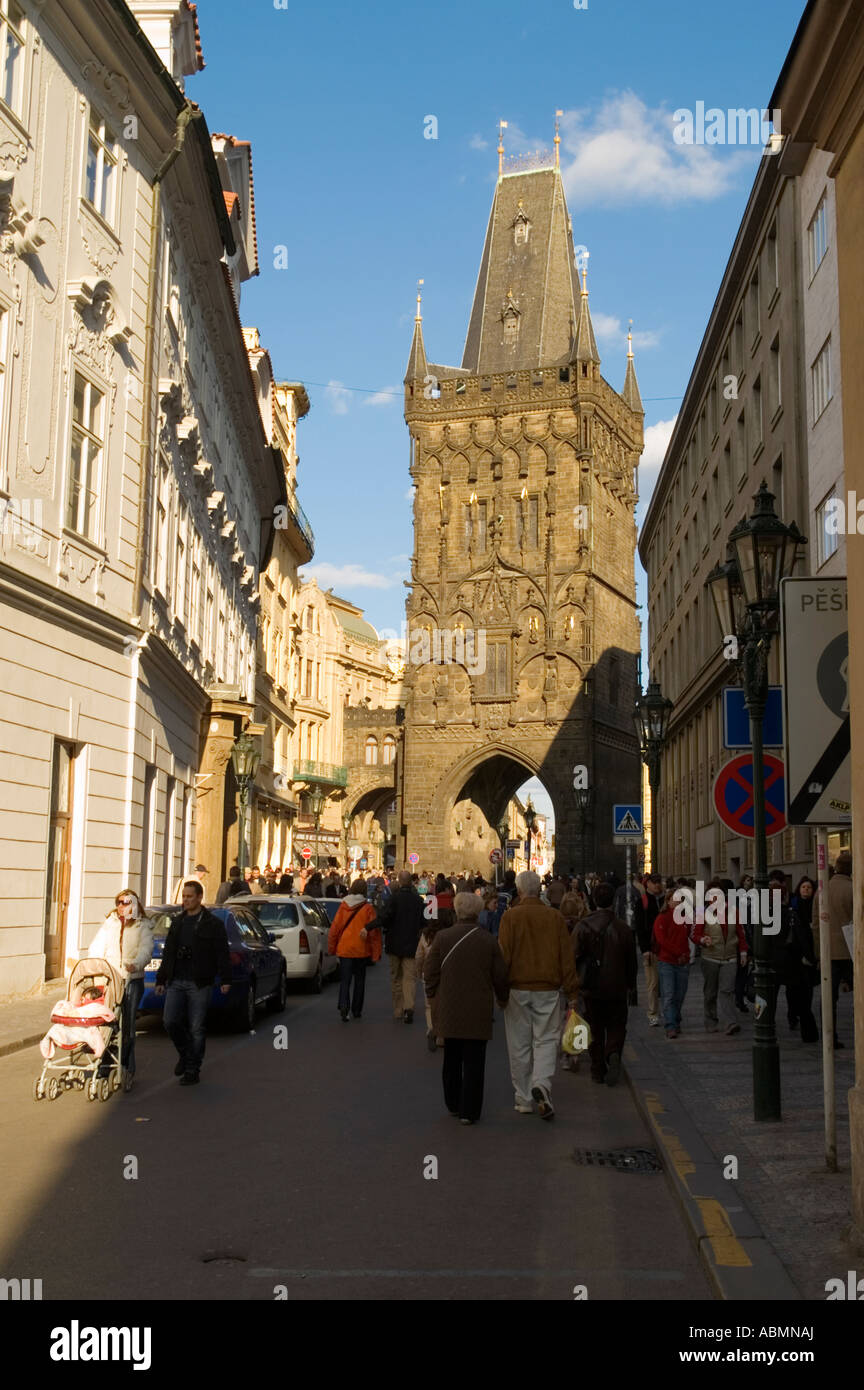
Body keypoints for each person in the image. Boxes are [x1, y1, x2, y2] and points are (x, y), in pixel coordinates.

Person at [498, 870, 580, 1120]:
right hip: (548, 988)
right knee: (546, 1040)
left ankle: (523, 1098)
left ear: (520, 892)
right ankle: (541, 1084)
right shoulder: (554, 917)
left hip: (517, 988)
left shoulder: (510, 917)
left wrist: (500, 991)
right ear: (539, 891)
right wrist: (572, 990)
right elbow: (566, 957)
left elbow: (504, 956)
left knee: (519, 1044)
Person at [423, 893, 510, 1124]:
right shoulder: (488, 940)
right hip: (478, 1008)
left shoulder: (442, 937)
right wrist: (503, 998)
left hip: (450, 1005)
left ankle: (453, 1102)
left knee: (451, 1057)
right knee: (474, 1061)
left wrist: (432, 995)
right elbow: (500, 975)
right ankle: (469, 1111)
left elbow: (430, 971)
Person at [154, 881, 231, 1086]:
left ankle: (192, 1069)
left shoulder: (212, 924)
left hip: (200, 982)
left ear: (199, 898)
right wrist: (161, 979)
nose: (186, 900)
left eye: (189, 896)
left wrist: (225, 979)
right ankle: (186, 1054)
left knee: (197, 1027)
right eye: (184, 896)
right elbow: (168, 953)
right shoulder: (177, 922)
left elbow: (222, 953)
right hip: (177, 980)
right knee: (170, 1020)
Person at [87, 889, 156, 1089]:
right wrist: (95, 966)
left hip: (131, 980)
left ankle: (126, 1066)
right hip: (110, 979)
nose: (121, 906)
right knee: (107, 1022)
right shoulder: (110, 924)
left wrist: (136, 964)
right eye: (118, 902)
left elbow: (146, 949)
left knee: (127, 1025)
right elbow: (97, 947)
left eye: (125, 902)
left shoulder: (143, 925)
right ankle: (105, 1064)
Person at [574, 881, 637, 1085]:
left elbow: (571, 956)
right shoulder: (624, 929)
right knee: (617, 1025)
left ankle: (597, 1069)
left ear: (593, 900)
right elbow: (631, 963)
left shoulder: (582, 926)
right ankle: (613, 1053)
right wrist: (631, 986)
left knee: (594, 1028)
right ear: (613, 901)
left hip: (591, 988)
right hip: (617, 987)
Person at [690, 879, 747, 1036]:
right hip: (710, 958)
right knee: (710, 992)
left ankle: (731, 1022)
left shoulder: (733, 912)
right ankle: (710, 1020)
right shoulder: (702, 912)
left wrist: (743, 952)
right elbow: (694, 933)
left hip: (730, 958)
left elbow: (741, 934)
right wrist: (702, 940)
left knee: (727, 990)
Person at [770, 869, 818, 1043]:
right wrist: (811, 959)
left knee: (770, 999)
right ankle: (808, 1032)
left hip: (771, 963)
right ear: (785, 898)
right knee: (802, 1000)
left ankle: (768, 1028)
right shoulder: (791, 915)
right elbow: (802, 939)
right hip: (791, 962)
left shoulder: (766, 916)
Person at [813, 851, 854, 1047]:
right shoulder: (853, 888)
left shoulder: (822, 890)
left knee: (829, 998)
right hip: (852, 951)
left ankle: (830, 1035)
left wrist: (818, 953)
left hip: (828, 951)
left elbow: (814, 925)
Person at [327, 880, 380, 1020]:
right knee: (360, 981)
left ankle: (344, 1005)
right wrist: (376, 953)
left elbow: (335, 929)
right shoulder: (368, 908)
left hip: (345, 949)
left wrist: (332, 948)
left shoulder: (343, 906)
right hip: (361, 949)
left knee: (345, 980)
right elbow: (374, 932)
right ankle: (357, 1010)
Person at [377, 870, 426, 1022]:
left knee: (396, 977)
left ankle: (398, 1010)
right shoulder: (418, 900)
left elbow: (384, 918)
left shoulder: (394, 898)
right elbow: (423, 922)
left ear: (399, 881)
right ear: (411, 882)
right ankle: (409, 1007)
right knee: (410, 978)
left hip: (394, 944)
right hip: (411, 944)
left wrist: (369, 926)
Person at [653, 887, 691, 1038]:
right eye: (675, 898)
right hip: (667, 961)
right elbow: (662, 940)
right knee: (668, 994)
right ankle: (670, 1025)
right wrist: (678, 952)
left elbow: (690, 935)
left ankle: (675, 1019)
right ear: (668, 901)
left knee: (679, 995)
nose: (678, 901)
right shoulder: (662, 918)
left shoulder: (685, 917)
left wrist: (687, 953)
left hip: (682, 961)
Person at [632, 873, 665, 1026]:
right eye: (654, 882)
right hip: (652, 948)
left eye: (659, 882)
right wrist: (645, 949)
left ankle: (667, 1011)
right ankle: (653, 1014)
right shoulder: (642, 902)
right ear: (648, 884)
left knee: (667, 983)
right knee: (653, 983)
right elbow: (640, 927)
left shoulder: (666, 900)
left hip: (667, 948)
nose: (658, 885)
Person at [415, 915, 443, 1051]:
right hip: (444, 973)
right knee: (444, 1002)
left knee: (429, 1004)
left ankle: (431, 1027)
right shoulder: (447, 936)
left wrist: (419, 972)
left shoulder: (425, 936)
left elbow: (419, 956)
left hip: (428, 972)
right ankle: (442, 1035)